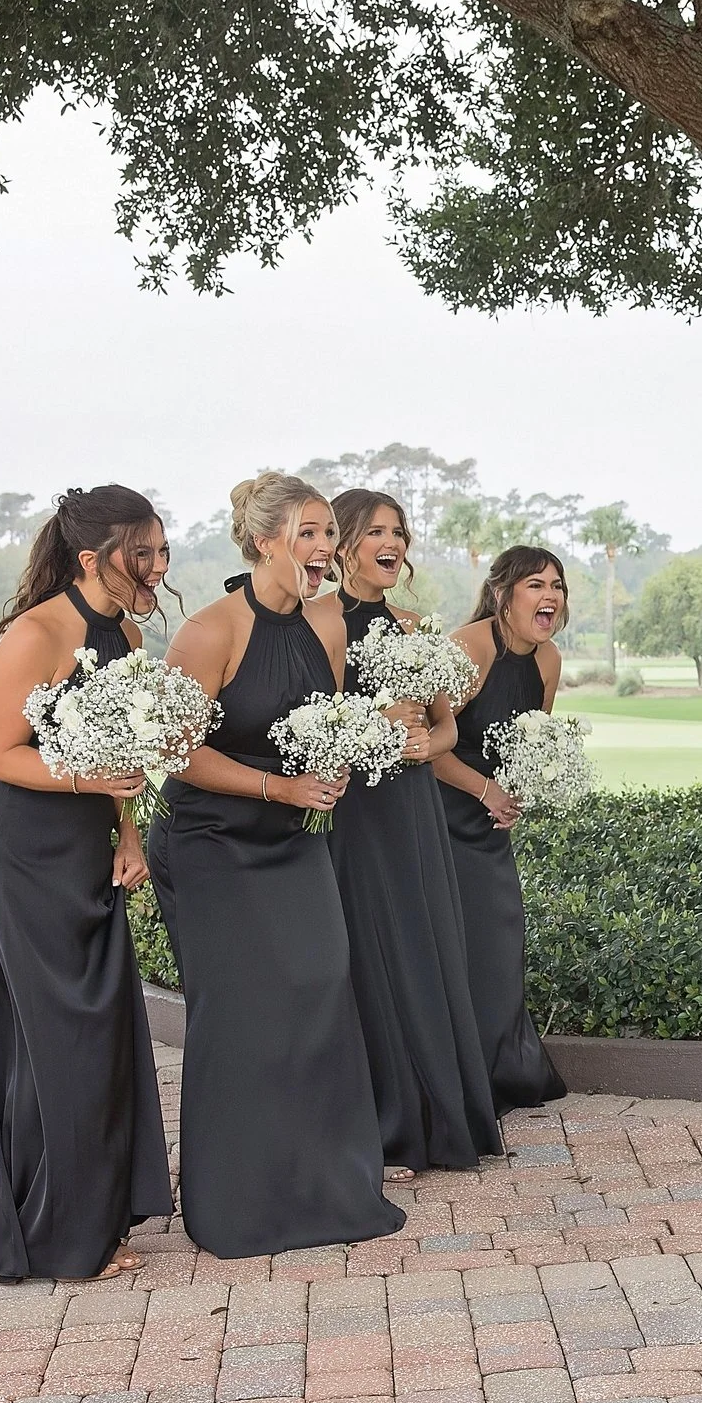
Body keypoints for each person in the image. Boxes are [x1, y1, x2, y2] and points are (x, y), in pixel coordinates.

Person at [146, 474, 405, 1259]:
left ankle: (325, 1184)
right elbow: (174, 751)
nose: (326, 549)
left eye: (330, 534)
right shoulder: (209, 629)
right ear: (265, 541)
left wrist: (345, 759)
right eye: (310, 534)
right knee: (238, 1015)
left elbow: (325, 725)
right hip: (211, 841)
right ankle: (237, 1204)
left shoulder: (327, 625)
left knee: (321, 986)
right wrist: (277, 783)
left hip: (293, 839)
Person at [0, 486, 175, 1282]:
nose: (157, 567)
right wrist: (92, 782)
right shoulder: (37, 632)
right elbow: (0, 754)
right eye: (142, 554)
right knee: (57, 1048)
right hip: (23, 858)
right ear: (92, 559)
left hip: (88, 851)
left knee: (104, 1038)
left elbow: (124, 742)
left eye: (161, 550)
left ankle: (97, 1219)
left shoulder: (121, 632)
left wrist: (127, 833)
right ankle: (57, 1239)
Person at [329, 489, 501, 1174]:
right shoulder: (315, 625)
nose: (393, 543)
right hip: (351, 812)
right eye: (376, 531)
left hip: (412, 810)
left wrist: (429, 746)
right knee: (368, 955)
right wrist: (370, 736)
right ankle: (382, 1125)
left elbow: (448, 723)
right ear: (341, 544)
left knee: (423, 949)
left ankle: (436, 1116)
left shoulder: (414, 629)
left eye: (398, 531)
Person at [436, 547, 570, 1114]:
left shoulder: (548, 661)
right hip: (440, 813)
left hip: (489, 822)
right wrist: (484, 788)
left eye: (558, 586)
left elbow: (528, 745)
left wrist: (522, 788)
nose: (551, 597)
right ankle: (457, 1078)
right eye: (536, 585)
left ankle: (505, 1072)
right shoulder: (469, 648)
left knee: (498, 939)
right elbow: (424, 748)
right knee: (455, 944)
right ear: (502, 594)